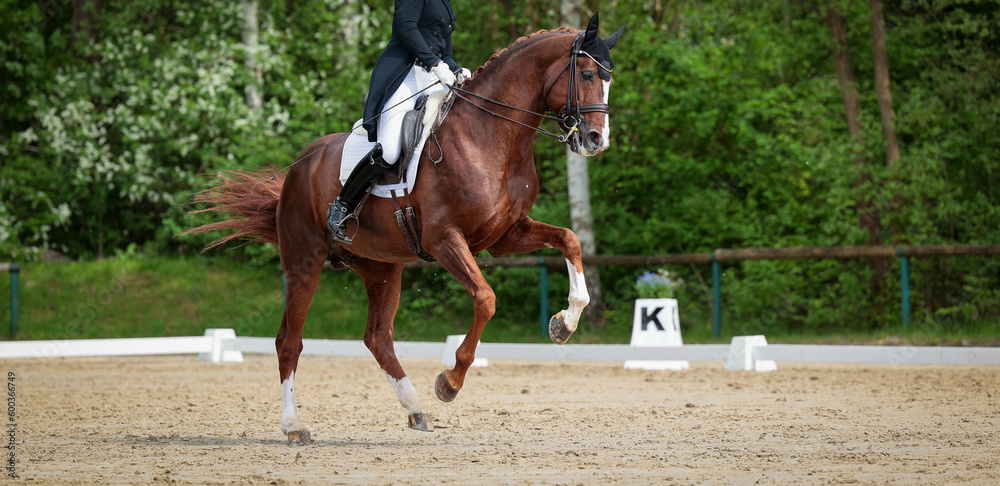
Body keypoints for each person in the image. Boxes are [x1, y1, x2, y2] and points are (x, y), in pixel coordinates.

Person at [328, 0, 472, 244]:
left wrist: (456, 68)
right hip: (405, 75)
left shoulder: (445, 3)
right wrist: (435, 64)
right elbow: (407, 28)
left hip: (433, 76)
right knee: (391, 151)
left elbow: (445, 50)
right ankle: (341, 205)